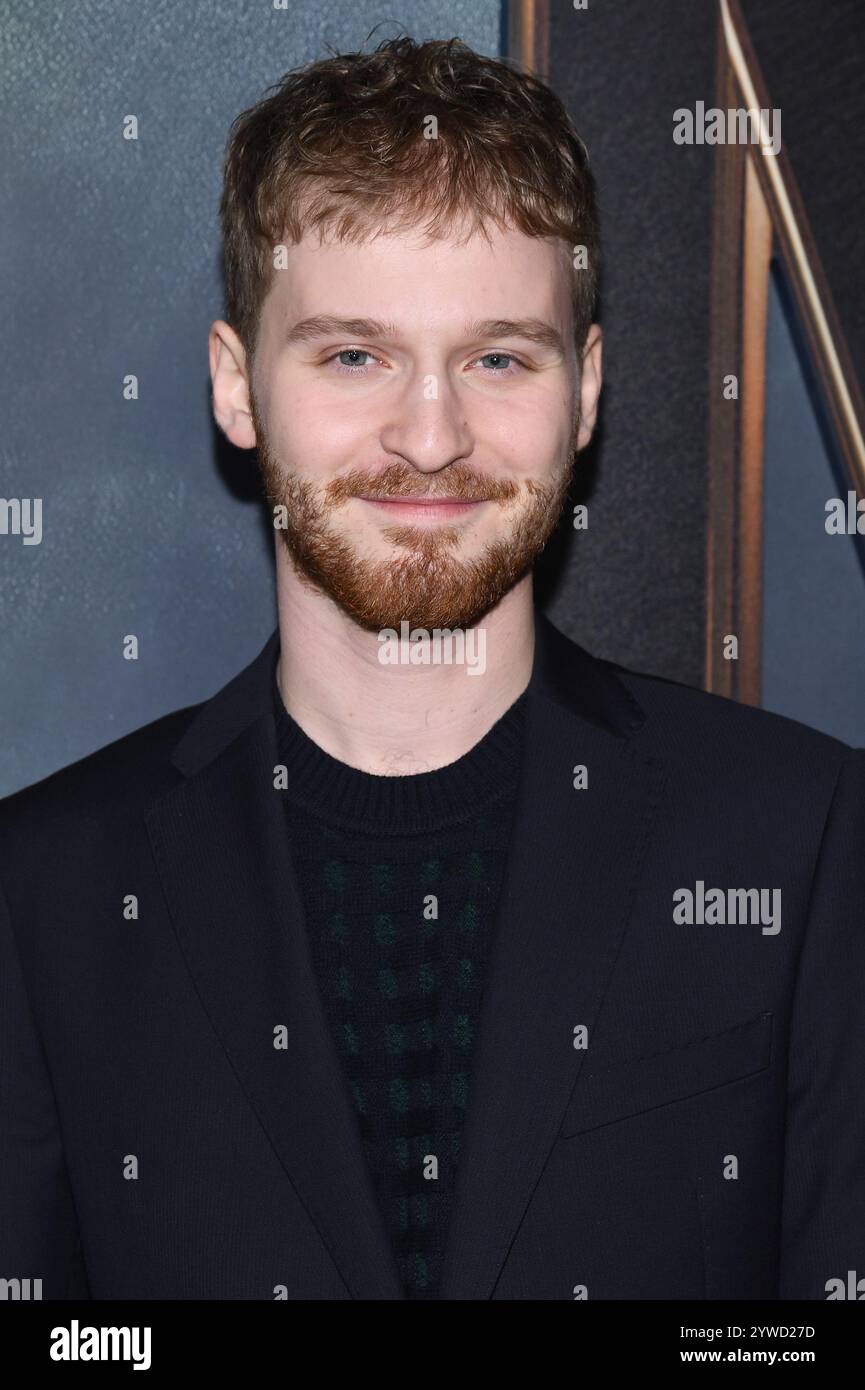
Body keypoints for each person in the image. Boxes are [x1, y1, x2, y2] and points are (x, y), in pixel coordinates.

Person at [1, 36, 863, 1302]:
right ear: (239, 389)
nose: (430, 433)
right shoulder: (44, 896)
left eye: (498, 357)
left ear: (586, 391)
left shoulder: (798, 841)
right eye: (354, 355)